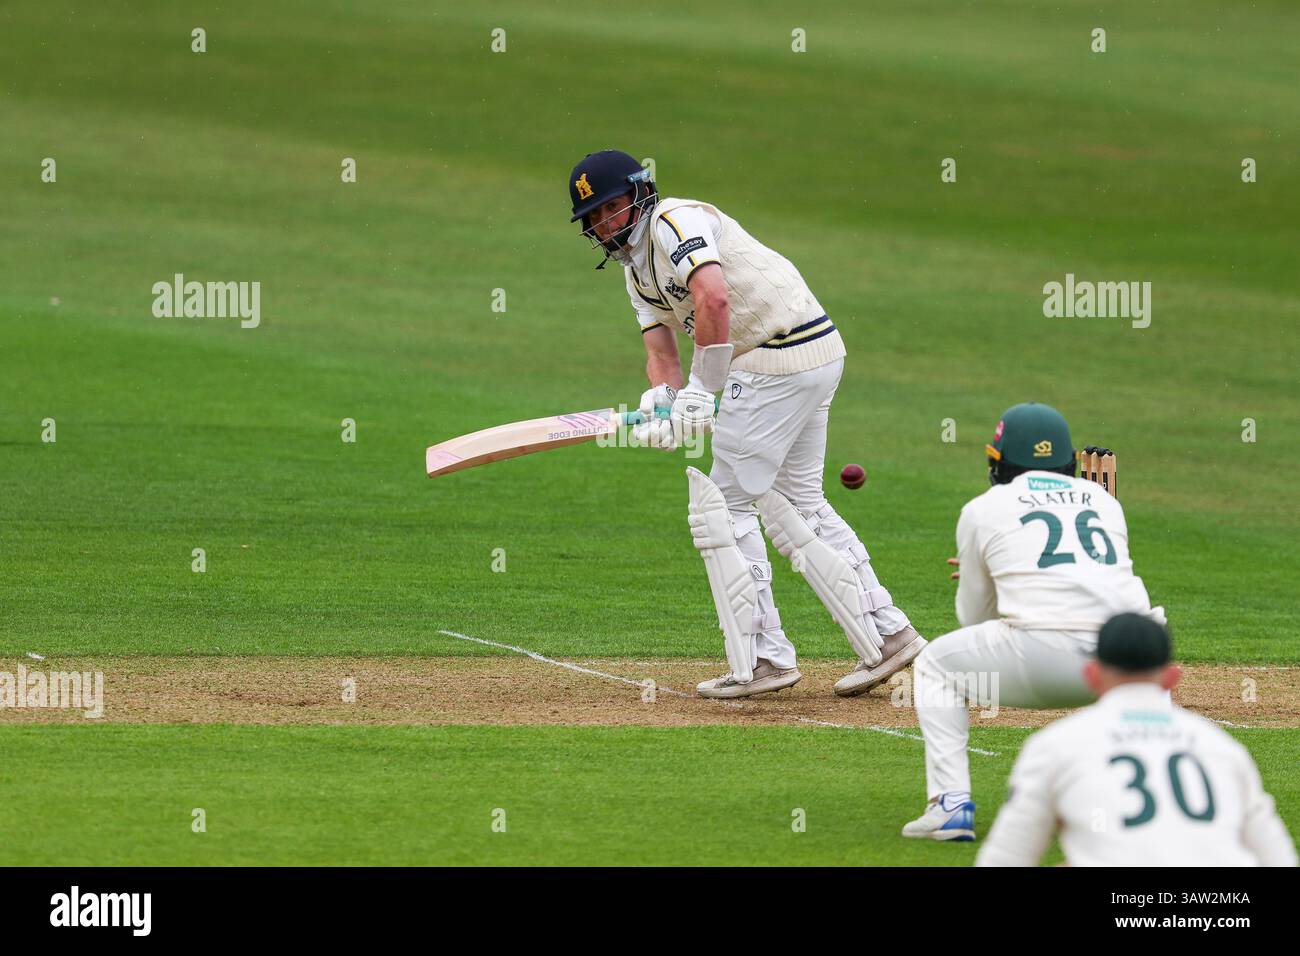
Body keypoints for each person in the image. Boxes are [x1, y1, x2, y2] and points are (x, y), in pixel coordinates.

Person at [567, 149, 924, 699]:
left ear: (639, 193)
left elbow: (715, 298)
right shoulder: (636, 271)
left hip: (774, 354)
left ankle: (763, 657)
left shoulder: (673, 223)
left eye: (612, 207)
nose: (605, 223)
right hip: (811, 353)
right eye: (594, 217)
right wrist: (664, 401)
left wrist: (702, 393)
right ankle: (888, 636)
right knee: (800, 503)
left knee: (724, 506)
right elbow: (661, 351)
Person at [902, 401, 1164, 840]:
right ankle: (1150, 809)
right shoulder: (1105, 501)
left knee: (934, 665)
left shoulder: (982, 508)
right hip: (1135, 666)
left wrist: (983, 575)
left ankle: (949, 804)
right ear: (1071, 462)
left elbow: (973, 618)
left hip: (1043, 659)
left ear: (999, 463)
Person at [976, 614, 1297, 866]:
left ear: (1091, 675)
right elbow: (1279, 858)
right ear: (1172, 678)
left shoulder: (1056, 744)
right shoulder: (1223, 747)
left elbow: (1005, 858)